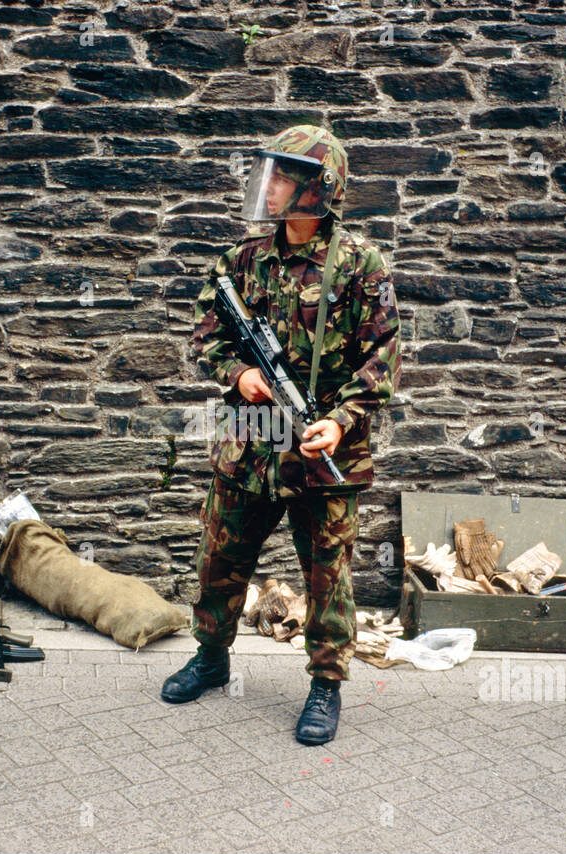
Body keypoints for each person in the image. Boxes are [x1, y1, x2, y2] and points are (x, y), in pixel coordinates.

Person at [162, 125, 402, 746]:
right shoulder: (241, 260)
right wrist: (238, 373)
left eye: (284, 177)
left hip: (324, 451)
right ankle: (211, 659)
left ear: (319, 190)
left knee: (328, 578)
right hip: (248, 446)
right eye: (269, 175)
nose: (267, 187)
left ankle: (325, 688)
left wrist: (340, 419)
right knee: (219, 561)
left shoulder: (359, 266)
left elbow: (382, 359)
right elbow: (206, 334)